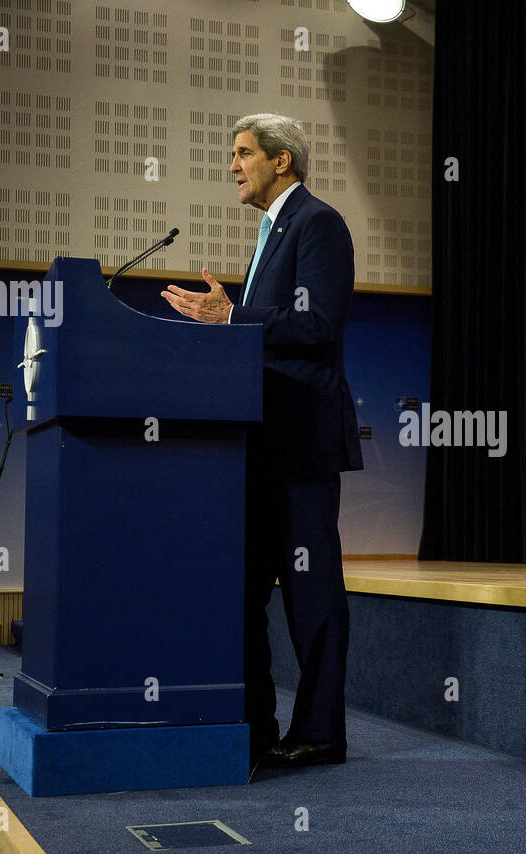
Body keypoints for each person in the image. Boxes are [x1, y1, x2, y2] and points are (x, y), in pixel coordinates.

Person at [161, 113, 362, 770]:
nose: (232, 166)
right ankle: (254, 723)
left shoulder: (318, 223)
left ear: (283, 160)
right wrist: (224, 328)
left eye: (243, 153)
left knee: (312, 596)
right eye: (232, 154)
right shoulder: (270, 236)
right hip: (260, 445)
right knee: (245, 588)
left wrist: (234, 315)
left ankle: (321, 732)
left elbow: (318, 323)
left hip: (301, 444)